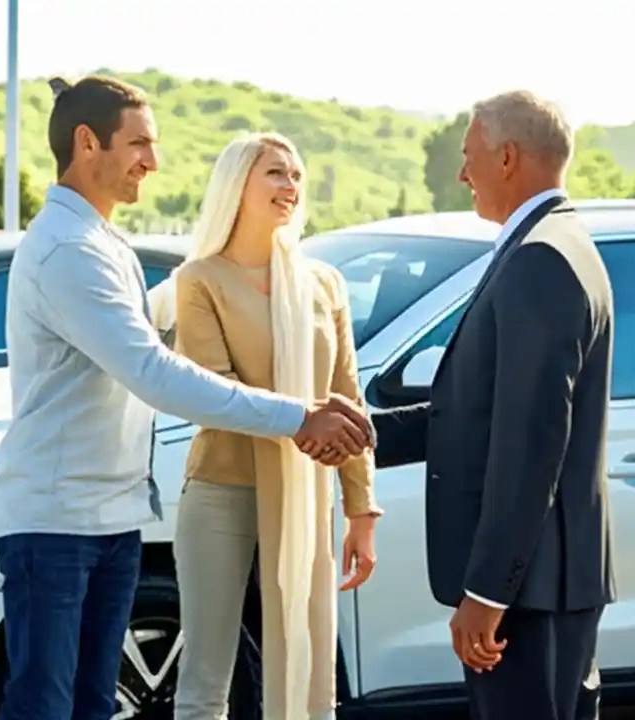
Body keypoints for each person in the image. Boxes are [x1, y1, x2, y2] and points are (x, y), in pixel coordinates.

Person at [0, 75, 374, 720]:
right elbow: (156, 374)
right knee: (43, 706)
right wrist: (299, 414)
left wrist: (359, 492)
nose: (153, 161)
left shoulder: (108, 244)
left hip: (110, 517)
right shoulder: (66, 250)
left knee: (88, 705)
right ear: (87, 143)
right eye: (139, 143)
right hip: (55, 522)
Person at [365, 90, 615, 720]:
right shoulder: (556, 243)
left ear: (507, 157)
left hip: (531, 590)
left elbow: (531, 446)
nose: (461, 173)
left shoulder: (540, 260)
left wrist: (486, 592)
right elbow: (483, 414)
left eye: (468, 154)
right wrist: (365, 435)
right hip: (544, 582)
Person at [168, 132, 382, 720]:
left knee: (310, 666)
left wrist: (362, 509)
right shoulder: (200, 281)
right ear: (238, 183)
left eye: (296, 176)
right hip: (222, 492)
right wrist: (302, 421)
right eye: (276, 174)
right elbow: (214, 390)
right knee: (207, 678)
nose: (290, 187)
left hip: (307, 494)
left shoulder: (323, 283)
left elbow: (348, 397)